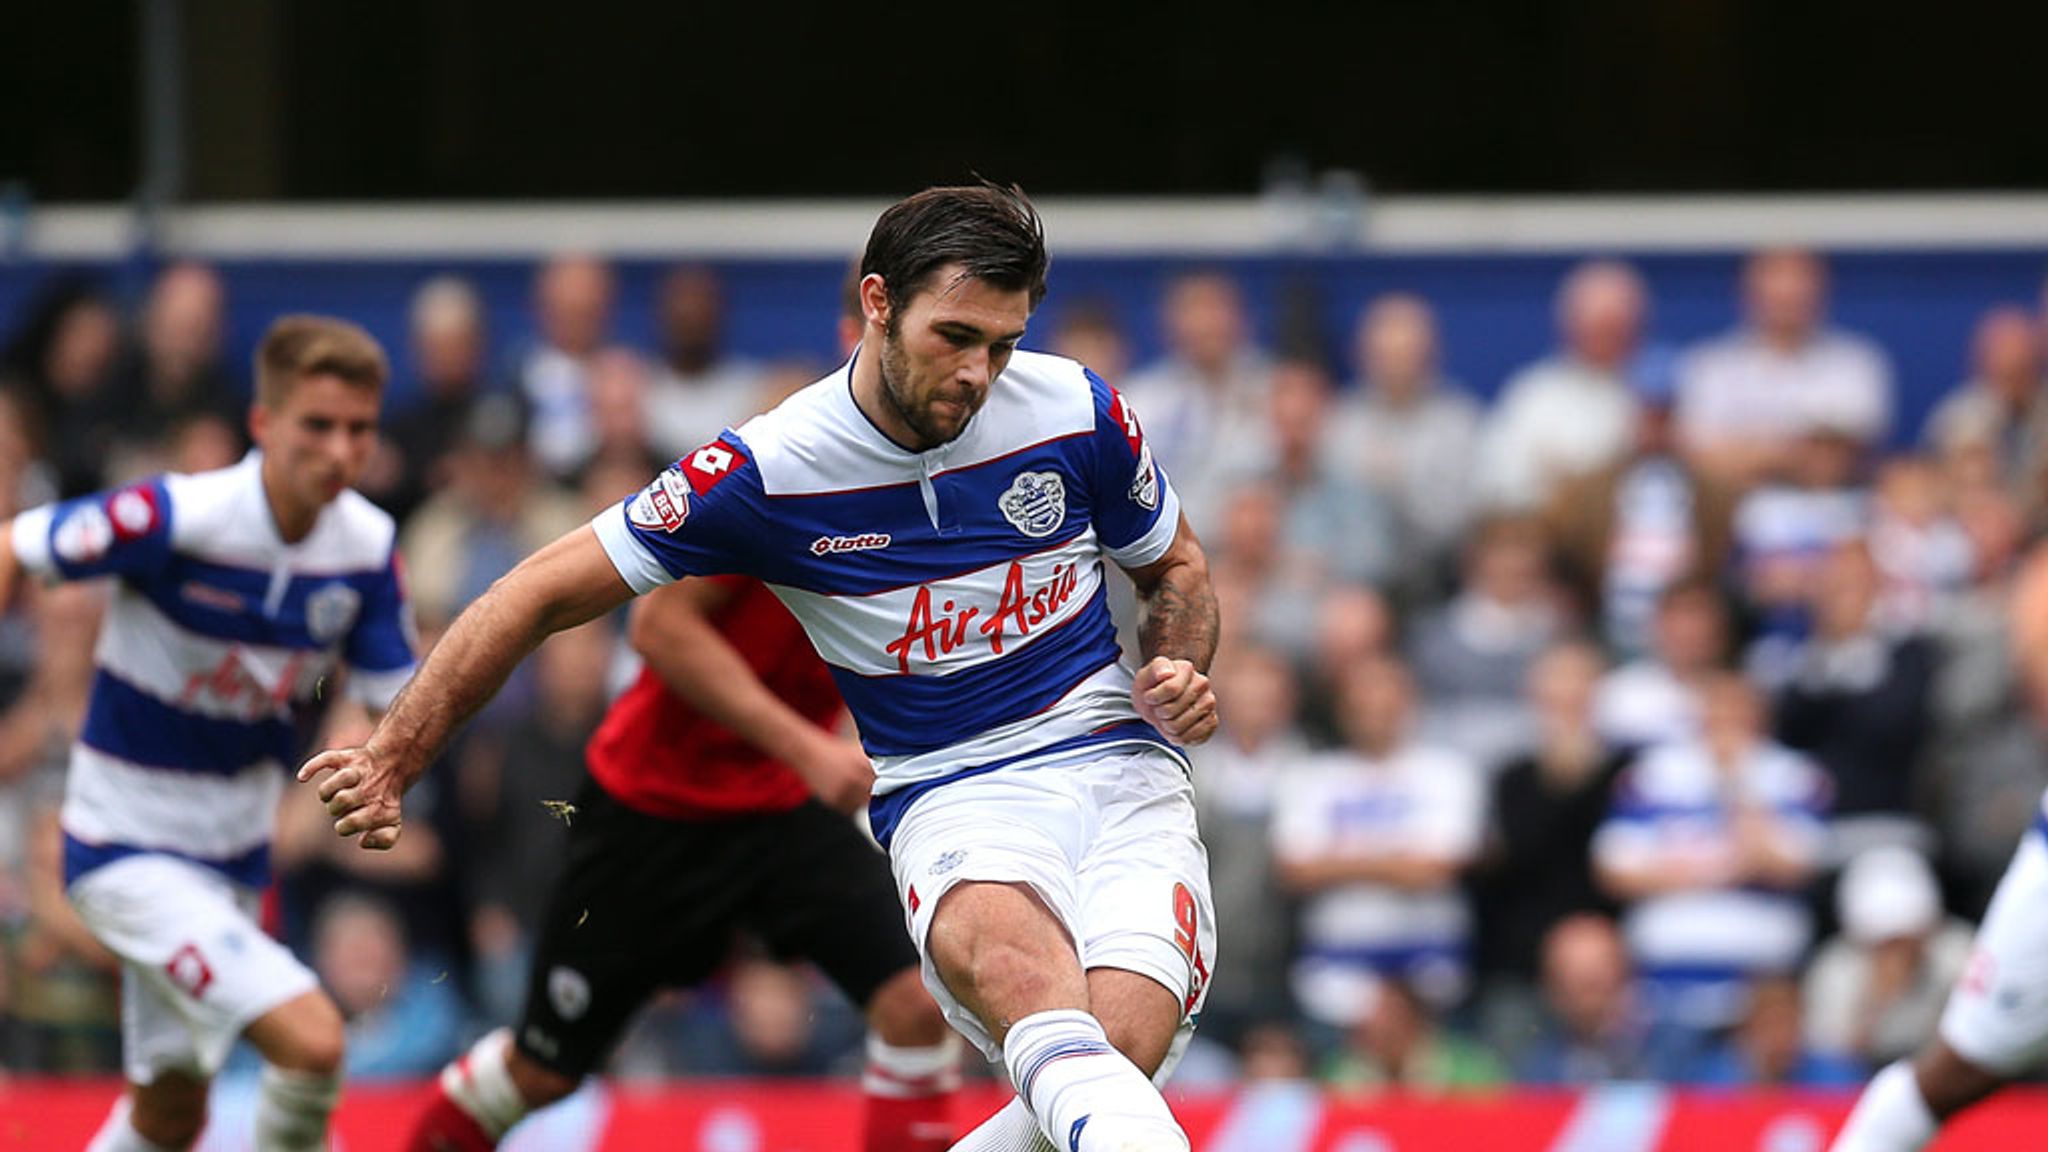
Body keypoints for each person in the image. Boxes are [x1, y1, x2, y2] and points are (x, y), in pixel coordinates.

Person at [303, 182, 1221, 1152]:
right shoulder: (771, 470)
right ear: (877, 304)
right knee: (548, 1058)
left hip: (1104, 769)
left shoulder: (1074, 408)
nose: (978, 374)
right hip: (873, 797)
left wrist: (1178, 658)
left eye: (1001, 345)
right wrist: (393, 754)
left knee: (1099, 1065)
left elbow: (1177, 570)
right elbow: (547, 593)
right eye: (955, 337)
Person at [0, 315, 416, 1151]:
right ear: (263, 425)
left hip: (231, 866)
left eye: (360, 429)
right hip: (122, 853)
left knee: (171, 1113)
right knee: (314, 1041)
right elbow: (19, 547)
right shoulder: (174, 516)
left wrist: (384, 766)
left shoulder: (365, 547)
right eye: (318, 426)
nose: (340, 451)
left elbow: (392, 695)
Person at [405, 574, 964, 1152]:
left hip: (784, 799)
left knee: (915, 1007)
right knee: (543, 1070)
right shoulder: (771, 488)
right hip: (653, 811)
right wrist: (809, 748)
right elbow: (658, 628)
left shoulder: (925, 510)